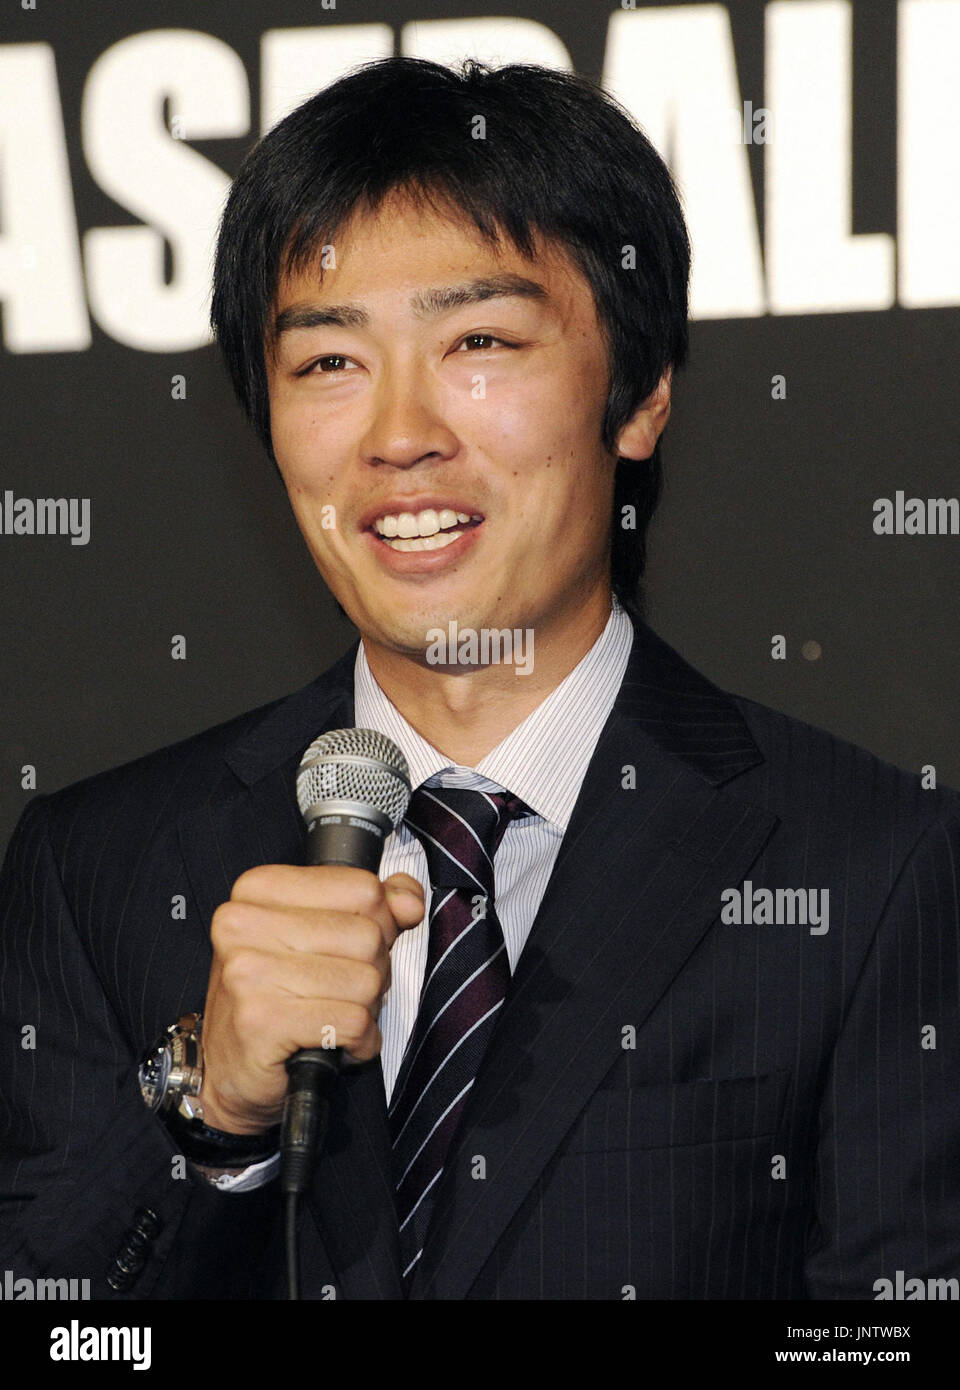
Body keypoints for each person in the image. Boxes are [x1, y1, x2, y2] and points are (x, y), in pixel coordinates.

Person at [1, 55, 958, 1302]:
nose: (400, 435)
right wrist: (212, 1109)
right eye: (329, 363)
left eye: (480, 341)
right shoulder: (99, 869)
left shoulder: (869, 865)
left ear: (641, 392)